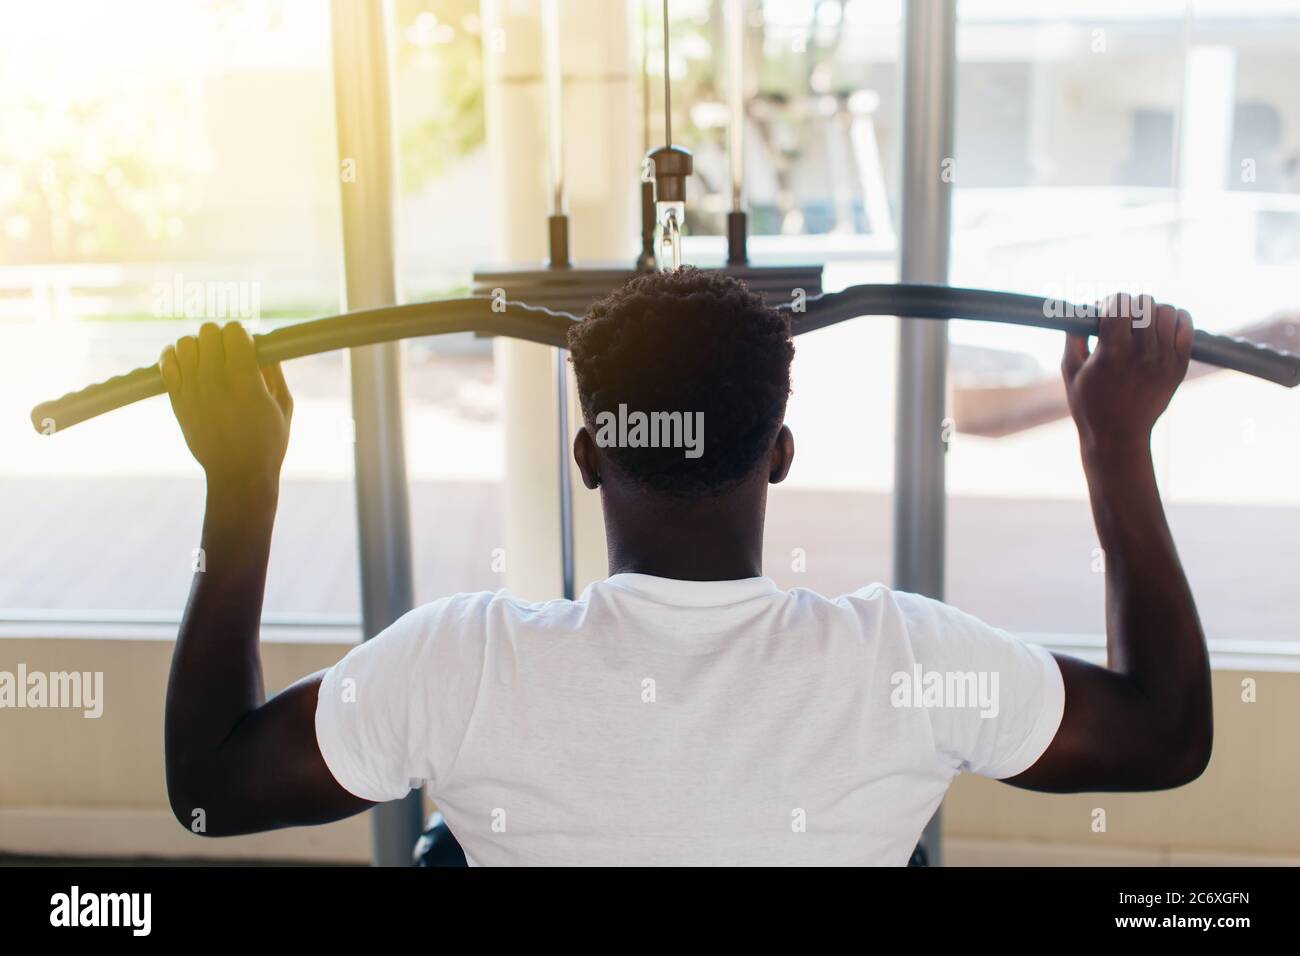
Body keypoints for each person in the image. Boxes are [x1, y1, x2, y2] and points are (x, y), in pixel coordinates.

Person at [158, 269, 1211, 865]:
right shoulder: (909, 658)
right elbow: (1167, 732)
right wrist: (1115, 441)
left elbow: (209, 784)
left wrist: (240, 482)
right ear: (780, 453)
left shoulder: (456, 663)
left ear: (586, 459)